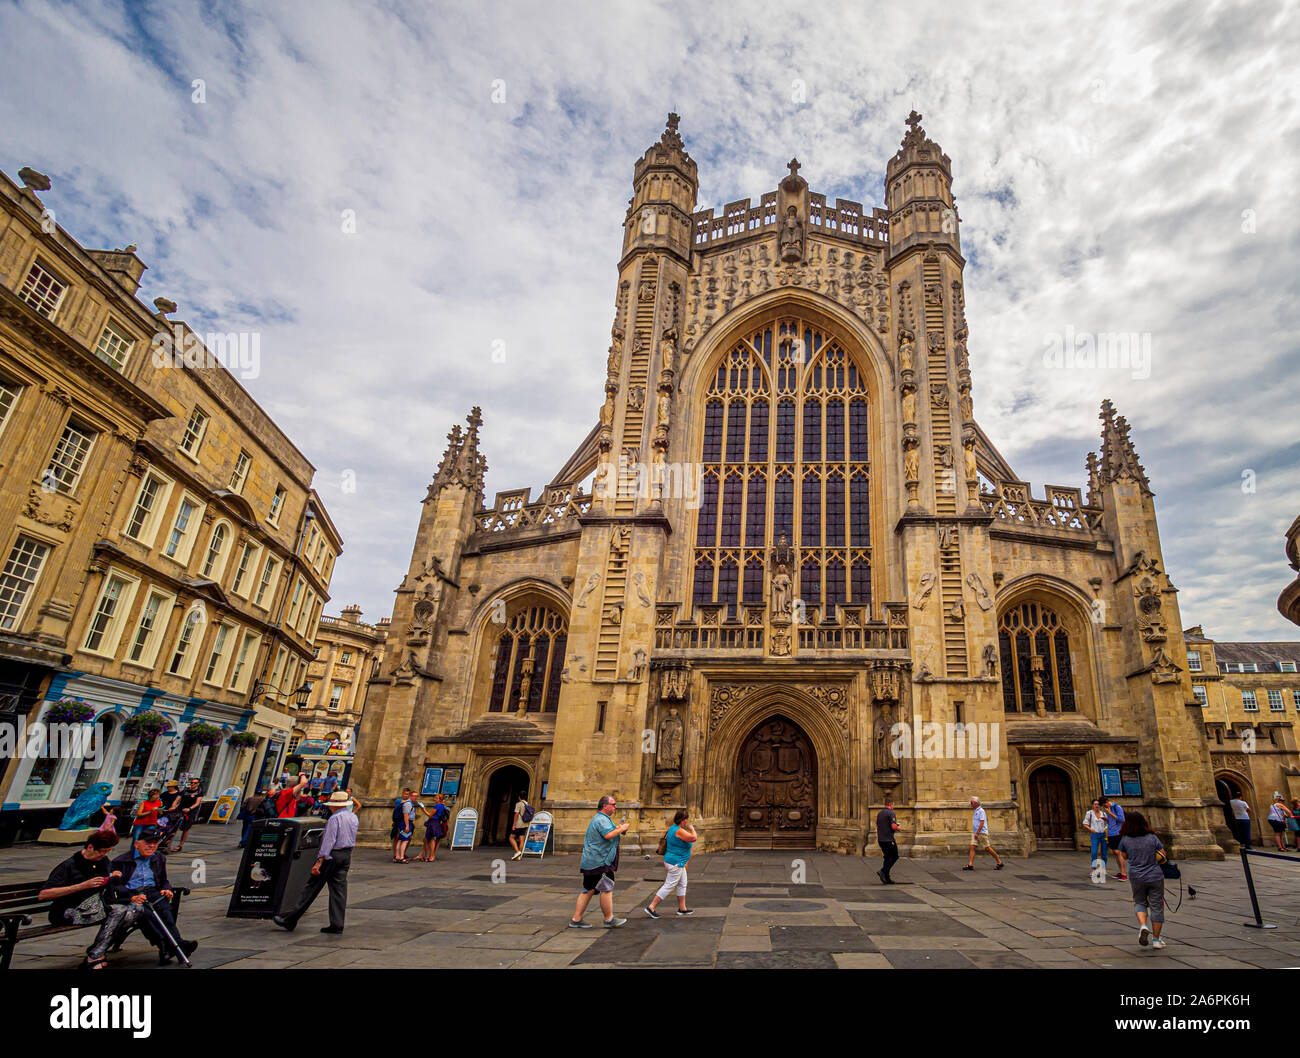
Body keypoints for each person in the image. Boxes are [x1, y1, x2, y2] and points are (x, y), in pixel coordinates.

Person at [94, 827, 198, 967]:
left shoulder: (159, 858)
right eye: (148, 843)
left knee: (165, 911)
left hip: (153, 892)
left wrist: (166, 889)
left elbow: (163, 880)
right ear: (137, 844)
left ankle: (169, 947)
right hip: (133, 893)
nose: (151, 846)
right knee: (146, 914)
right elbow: (115, 887)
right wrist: (131, 897)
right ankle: (174, 946)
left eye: (155, 843)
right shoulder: (121, 861)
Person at [273, 790, 358, 935]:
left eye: (331, 805)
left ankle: (289, 919)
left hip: (332, 856)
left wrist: (319, 860)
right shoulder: (353, 817)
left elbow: (328, 841)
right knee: (339, 890)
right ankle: (337, 924)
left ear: (335, 805)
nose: (329, 807)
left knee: (311, 888)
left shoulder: (334, 819)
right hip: (346, 855)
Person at [40, 832, 122, 968]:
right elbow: (44, 895)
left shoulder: (103, 861)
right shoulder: (69, 865)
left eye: (108, 851)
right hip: (67, 910)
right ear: (90, 847)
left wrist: (112, 877)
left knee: (132, 911)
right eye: (102, 851)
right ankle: (95, 956)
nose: (104, 854)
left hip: (93, 907)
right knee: (118, 912)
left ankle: (96, 953)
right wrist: (82, 886)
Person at [569, 795, 630, 928]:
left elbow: (611, 833)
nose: (615, 807)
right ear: (605, 806)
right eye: (613, 804)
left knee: (588, 889)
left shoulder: (602, 819)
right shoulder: (601, 819)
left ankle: (576, 919)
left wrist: (620, 830)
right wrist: (622, 828)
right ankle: (609, 919)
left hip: (593, 861)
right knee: (607, 888)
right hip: (600, 862)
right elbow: (608, 835)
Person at [1117, 811, 1168, 950]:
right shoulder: (1152, 837)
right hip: (1155, 875)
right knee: (1157, 906)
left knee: (1140, 902)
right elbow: (1163, 854)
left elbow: (1124, 856)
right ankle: (1157, 940)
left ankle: (1143, 926)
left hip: (1136, 876)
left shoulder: (1125, 839)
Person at [645, 809, 696, 917]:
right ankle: (651, 907)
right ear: (683, 820)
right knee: (669, 885)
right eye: (686, 819)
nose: (687, 822)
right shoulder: (679, 831)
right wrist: (692, 829)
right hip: (675, 862)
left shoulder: (672, 828)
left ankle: (682, 909)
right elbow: (693, 838)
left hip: (677, 862)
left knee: (682, 884)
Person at [963, 796, 1003, 870]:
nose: (970, 804)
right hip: (975, 833)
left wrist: (977, 833)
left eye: (971, 803)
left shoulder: (981, 811)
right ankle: (970, 864)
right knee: (972, 847)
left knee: (987, 848)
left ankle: (999, 862)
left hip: (981, 833)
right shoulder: (976, 810)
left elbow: (982, 822)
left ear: (976, 803)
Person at [172, 777, 202, 853]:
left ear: (198, 784)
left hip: (190, 812)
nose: (192, 784)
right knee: (173, 826)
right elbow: (177, 799)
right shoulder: (185, 790)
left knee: (185, 828)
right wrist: (173, 806)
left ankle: (180, 845)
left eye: (195, 783)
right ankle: (167, 843)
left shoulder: (199, 791)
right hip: (180, 810)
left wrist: (189, 809)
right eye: (191, 782)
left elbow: (197, 803)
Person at [417, 793, 450, 862]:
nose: (434, 799)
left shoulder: (437, 805)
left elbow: (430, 815)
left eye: (436, 797)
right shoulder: (442, 806)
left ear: (439, 799)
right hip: (437, 822)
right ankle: (429, 856)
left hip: (433, 822)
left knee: (428, 839)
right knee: (429, 839)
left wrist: (423, 808)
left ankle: (429, 856)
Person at [875, 799, 901, 884]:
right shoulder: (891, 813)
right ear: (891, 804)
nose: (893, 807)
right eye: (893, 805)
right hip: (889, 839)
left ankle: (886, 878)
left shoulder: (880, 813)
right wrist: (898, 828)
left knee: (887, 857)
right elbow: (893, 826)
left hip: (881, 839)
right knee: (894, 856)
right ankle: (883, 871)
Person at [1101, 797, 1127, 879]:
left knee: (1117, 852)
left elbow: (1122, 819)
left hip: (1117, 833)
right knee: (1116, 853)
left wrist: (1110, 813)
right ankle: (1121, 872)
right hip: (1110, 833)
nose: (1104, 807)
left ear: (1107, 802)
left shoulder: (1117, 807)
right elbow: (1112, 820)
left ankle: (1124, 874)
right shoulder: (1108, 809)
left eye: (1104, 805)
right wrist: (1107, 819)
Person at [1083, 799, 1109, 876]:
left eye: (1098, 804)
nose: (1097, 806)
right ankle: (1094, 870)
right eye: (1095, 804)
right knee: (1094, 852)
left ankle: (1103, 869)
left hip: (1103, 834)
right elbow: (1085, 823)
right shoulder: (1089, 813)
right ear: (1092, 805)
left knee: (1104, 853)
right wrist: (1091, 829)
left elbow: (1108, 823)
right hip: (1095, 835)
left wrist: (1106, 821)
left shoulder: (1103, 813)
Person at [391, 787, 416, 862]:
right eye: (405, 794)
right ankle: (399, 856)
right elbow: (405, 814)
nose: (406, 795)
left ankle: (399, 855)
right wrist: (407, 826)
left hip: (404, 823)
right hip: (403, 823)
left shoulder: (409, 802)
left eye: (408, 794)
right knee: (402, 839)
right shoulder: (402, 801)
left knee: (402, 839)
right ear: (402, 794)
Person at [509, 791, 530, 861]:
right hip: (525, 823)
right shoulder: (527, 804)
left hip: (519, 823)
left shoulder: (519, 804)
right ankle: (519, 856)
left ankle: (517, 852)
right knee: (521, 839)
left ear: (519, 797)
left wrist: (514, 824)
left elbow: (516, 814)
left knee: (511, 838)